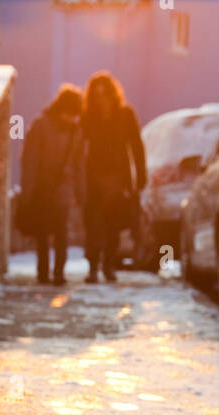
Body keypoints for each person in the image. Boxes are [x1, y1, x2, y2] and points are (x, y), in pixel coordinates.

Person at [81, 72, 146, 284]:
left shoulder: (126, 115)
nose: (102, 100)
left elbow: (136, 146)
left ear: (113, 94)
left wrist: (141, 175)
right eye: (97, 95)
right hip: (93, 177)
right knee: (93, 224)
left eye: (105, 94)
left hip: (119, 178)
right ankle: (92, 267)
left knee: (113, 225)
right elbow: (79, 146)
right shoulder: (88, 116)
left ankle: (108, 265)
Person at [20, 85, 85, 286]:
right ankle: (46, 273)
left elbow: (78, 163)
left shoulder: (74, 131)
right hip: (43, 189)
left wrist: (81, 193)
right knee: (45, 232)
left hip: (60, 189)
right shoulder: (42, 126)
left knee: (58, 232)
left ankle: (55, 273)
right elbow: (30, 161)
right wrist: (28, 192)